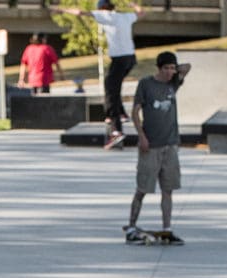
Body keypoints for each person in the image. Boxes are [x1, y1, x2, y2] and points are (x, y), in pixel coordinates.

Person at [125, 51, 190, 244]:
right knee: (143, 188)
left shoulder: (173, 83)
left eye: (172, 68)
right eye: (167, 68)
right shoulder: (146, 84)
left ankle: (167, 228)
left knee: (168, 189)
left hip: (170, 145)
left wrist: (175, 69)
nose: (170, 72)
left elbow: (188, 68)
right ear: (159, 68)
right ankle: (131, 224)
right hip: (150, 145)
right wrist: (141, 136)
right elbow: (135, 111)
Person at [57, 1, 142, 148]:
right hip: (131, 58)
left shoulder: (105, 15)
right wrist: (133, 4)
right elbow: (141, 13)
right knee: (113, 86)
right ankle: (121, 113)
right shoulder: (126, 16)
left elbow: (80, 13)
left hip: (120, 59)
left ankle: (116, 130)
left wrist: (61, 10)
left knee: (111, 91)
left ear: (102, 8)